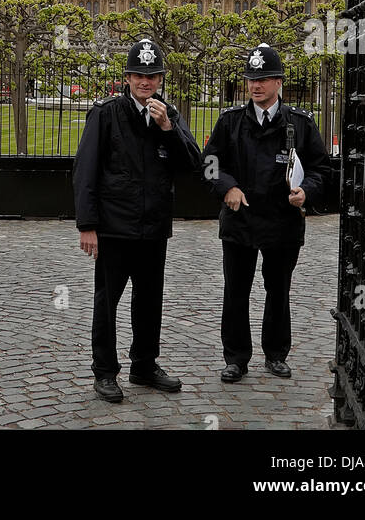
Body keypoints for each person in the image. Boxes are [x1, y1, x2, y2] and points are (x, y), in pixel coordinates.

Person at [73, 37, 202, 403]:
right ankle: (105, 371)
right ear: (127, 78)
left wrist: (168, 129)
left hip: (153, 227)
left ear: (161, 79)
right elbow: (85, 171)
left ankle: (144, 364)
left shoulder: (169, 115)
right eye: (139, 76)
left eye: (152, 76)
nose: (146, 82)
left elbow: (192, 162)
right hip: (114, 228)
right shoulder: (106, 114)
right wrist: (87, 225)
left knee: (149, 301)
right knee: (107, 302)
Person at [202, 42, 329, 382]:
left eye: (264, 79)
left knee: (278, 289)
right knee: (236, 291)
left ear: (279, 82)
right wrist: (226, 186)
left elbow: (321, 168)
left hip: (282, 221)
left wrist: (308, 192)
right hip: (240, 220)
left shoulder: (300, 124)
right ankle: (236, 357)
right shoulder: (230, 122)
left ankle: (276, 354)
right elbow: (211, 163)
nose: (256, 85)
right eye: (251, 79)